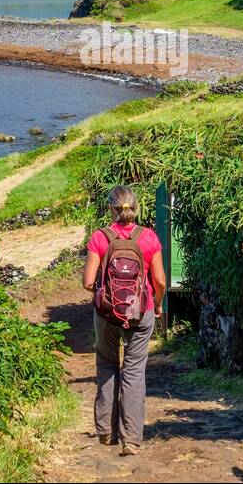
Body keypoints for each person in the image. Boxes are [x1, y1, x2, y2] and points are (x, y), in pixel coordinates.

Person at [82, 185, 166, 456]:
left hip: (106, 314)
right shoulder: (149, 237)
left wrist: (106, 293)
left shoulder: (100, 237)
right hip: (140, 313)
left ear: (111, 208)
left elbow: (87, 282)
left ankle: (106, 432)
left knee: (107, 364)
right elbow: (160, 281)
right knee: (134, 371)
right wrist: (157, 304)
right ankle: (130, 439)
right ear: (136, 207)